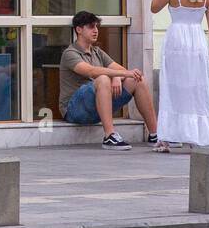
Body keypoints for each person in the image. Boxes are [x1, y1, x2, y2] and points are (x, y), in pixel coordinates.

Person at [149, 0, 209, 151]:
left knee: (172, 87)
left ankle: (166, 137)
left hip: (177, 41)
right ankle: (195, 135)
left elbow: (154, 7)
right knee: (196, 87)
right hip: (197, 40)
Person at [58, 10, 158, 150]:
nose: (96, 30)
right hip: (74, 110)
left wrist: (117, 76)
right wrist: (115, 75)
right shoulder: (70, 53)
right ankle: (109, 136)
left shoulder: (97, 52)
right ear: (79, 30)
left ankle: (155, 134)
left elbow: (123, 71)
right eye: (91, 27)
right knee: (103, 78)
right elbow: (91, 71)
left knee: (137, 79)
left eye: (96, 26)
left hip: (95, 108)